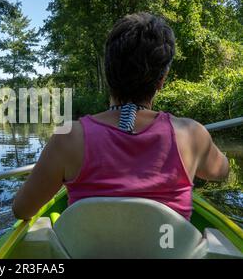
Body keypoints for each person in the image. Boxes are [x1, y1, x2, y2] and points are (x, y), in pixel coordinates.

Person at [12, 12, 229, 221]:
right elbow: (221, 171)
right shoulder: (192, 135)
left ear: (108, 74)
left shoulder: (67, 137)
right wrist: (203, 145)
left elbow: (22, 210)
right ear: (162, 80)